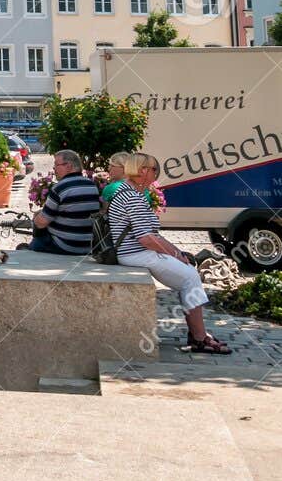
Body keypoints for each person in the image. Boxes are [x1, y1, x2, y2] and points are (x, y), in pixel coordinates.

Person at [110, 152, 230, 354]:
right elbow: (146, 238)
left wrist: (177, 252)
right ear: (143, 171)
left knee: (188, 274)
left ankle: (198, 334)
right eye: (154, 169)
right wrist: (175, 254)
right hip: (136, 254)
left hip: (137, 252)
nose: (156, 173)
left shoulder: (131, 192)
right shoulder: (132, 196)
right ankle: (199, 337)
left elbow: (151, 235)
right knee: (190, 277)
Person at [29, 149, 100, 254]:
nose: (54, 169)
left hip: (65, 245)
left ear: (69, 166)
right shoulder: (91, 185)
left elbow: (42, 222)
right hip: (88, 245)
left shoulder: (60, 187)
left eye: (56, 165)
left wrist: (35, 218)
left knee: (35, 243)